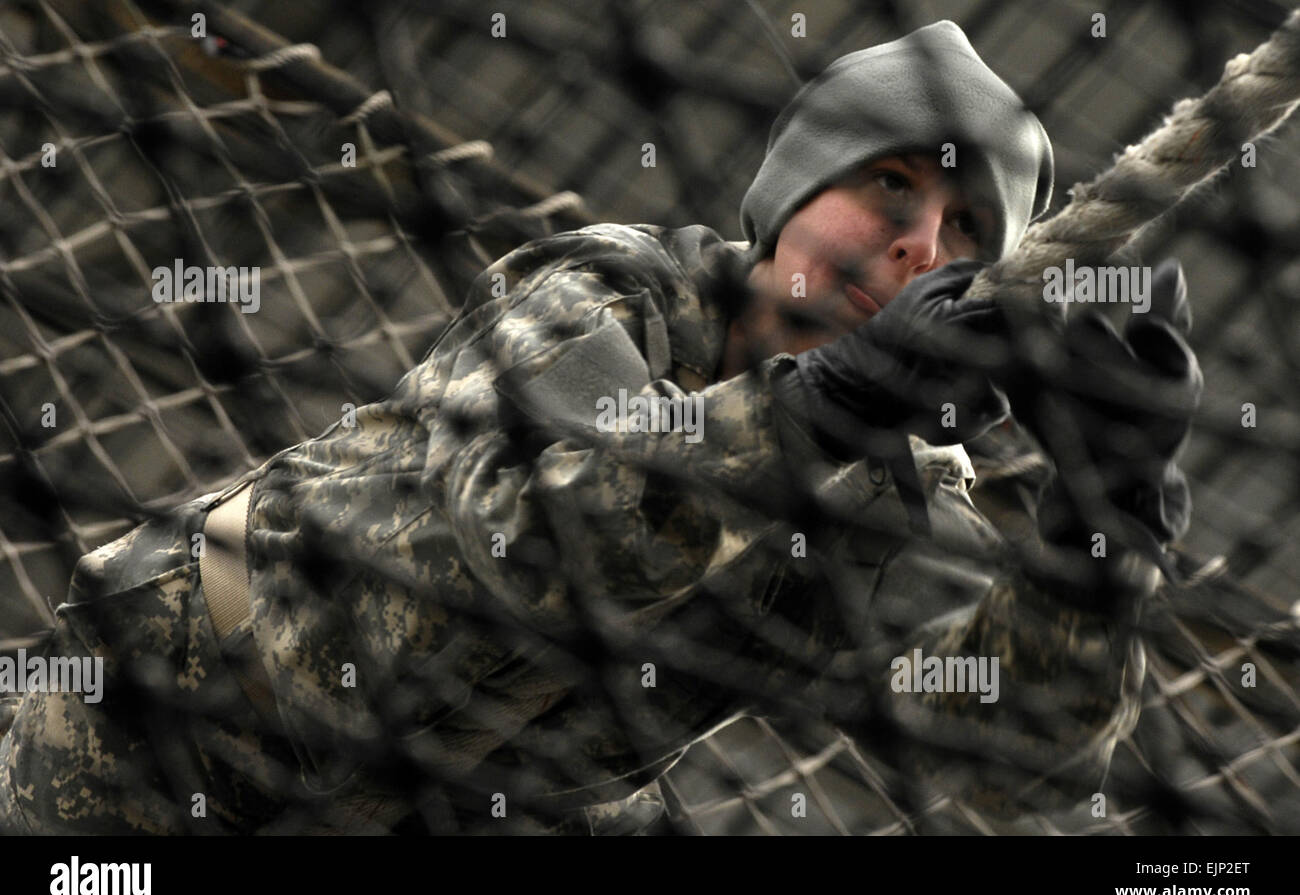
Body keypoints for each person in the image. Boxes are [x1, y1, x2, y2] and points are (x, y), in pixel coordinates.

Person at [0, 20, 1200, 835]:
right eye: (891, 183)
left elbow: (998, 759)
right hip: (177, 708)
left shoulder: (896, 491)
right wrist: (829, 403)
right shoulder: (609, 288)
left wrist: (1105, 520)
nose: (918, 246)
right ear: (791, 192)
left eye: (963, 234)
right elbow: (538, 534)